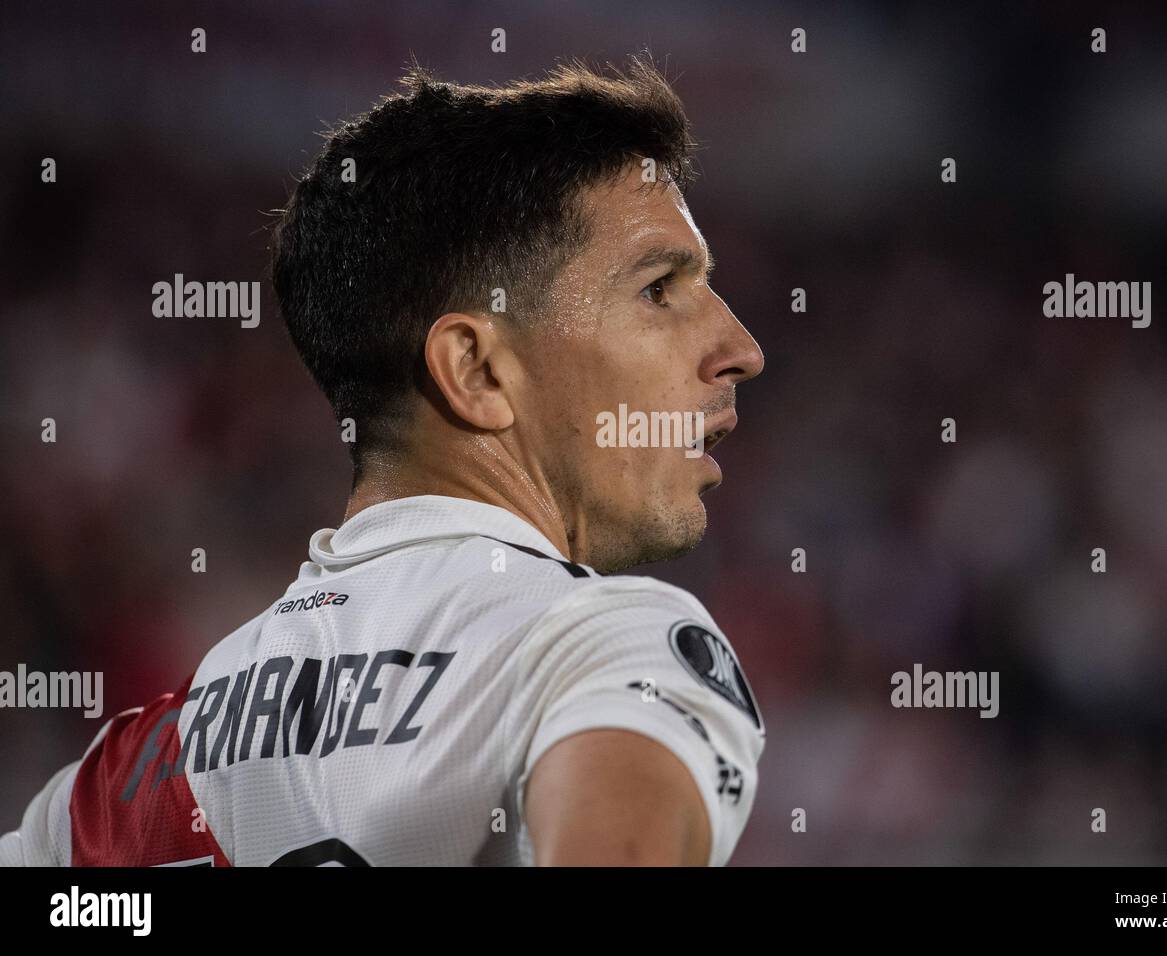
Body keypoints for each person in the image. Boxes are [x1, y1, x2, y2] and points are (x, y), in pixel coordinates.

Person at [1, 56, 766, 867]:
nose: (740, 349)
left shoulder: (106, 789)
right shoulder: (599, 650)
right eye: (658, 290)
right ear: (475, 371)